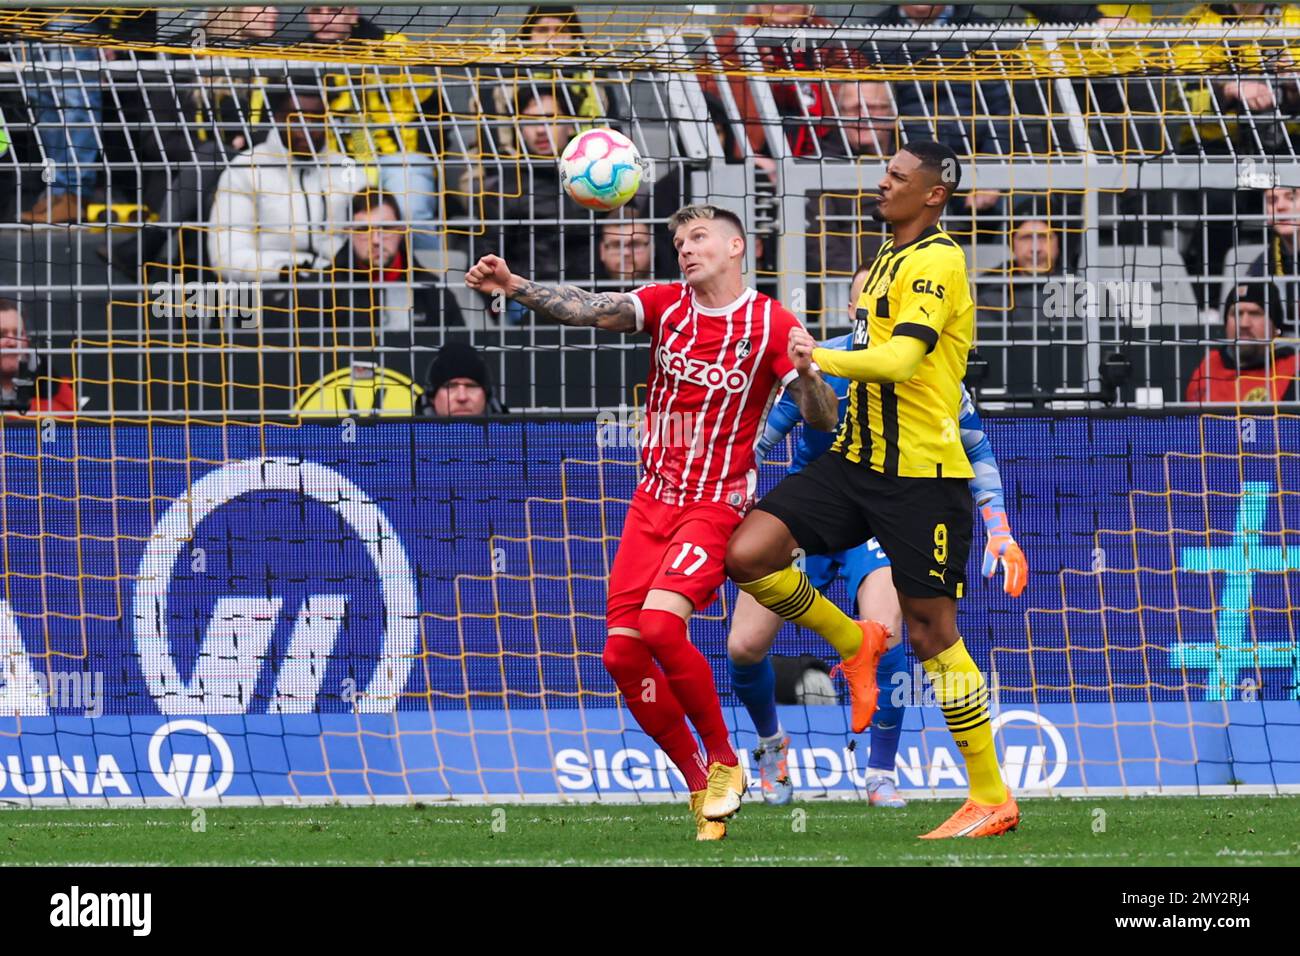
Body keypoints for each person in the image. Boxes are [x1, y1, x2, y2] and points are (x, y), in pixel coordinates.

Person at [465, 203, 839, 840]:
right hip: (652, 501)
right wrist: (518, 288)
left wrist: (807, 374)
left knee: (663, 627)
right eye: (679, 242)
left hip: (716, 502)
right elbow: (589, 307)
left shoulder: (770, 323)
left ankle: (725, 760)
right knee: (619, 653)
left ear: (735, 246)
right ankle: (701, 786)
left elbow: (823, 418)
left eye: (698, 238)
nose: (686, 249)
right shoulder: (666, 305)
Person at [724, 141, 1022, 839]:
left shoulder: (939, 261)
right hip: (852, 464)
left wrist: (815, 356)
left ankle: (990, 795)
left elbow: (901, 359)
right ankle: (851, 639)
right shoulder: (886, 260)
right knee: (749, 553)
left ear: (933, 195)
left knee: (931, 634)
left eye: (897, 176)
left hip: (922, 476)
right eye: (883, 172)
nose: (881, 183)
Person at [307, 6, 439, 254]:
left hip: (399, 154)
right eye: (316, 10)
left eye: (333, 9)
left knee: (411, 208)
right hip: (341, 159)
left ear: (353, 13)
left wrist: (425, 151)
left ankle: (430, 281)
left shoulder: (394, 47)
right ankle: (340, 280)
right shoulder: (296, 56)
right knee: (337, 208)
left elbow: (432, 104)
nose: (324, 18)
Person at [207, 86, 368, 287]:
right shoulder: (245, 168)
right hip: (268, 287)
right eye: (296, 119)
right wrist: (289, 270)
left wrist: (333, 271)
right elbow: (226, 255)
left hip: (339, 286)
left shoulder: (347, 168)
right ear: (277, 119)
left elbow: (372, 239)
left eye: (316, 118)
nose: (307, 128)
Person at [467, 88, 598, 324]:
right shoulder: (502, 187)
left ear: (570, 126)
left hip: (591, 299)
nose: (540, 130)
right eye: (530, 121)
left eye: (550, 119)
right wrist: (505, 301)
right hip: (526, 304)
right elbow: (483, 257)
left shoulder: (597, 180)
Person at [326, 190, 463, 332]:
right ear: (348, 232)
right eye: (363, 229)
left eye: (386, 228)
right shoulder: (323, 290)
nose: (375, 240)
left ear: (401, 231)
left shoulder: (434, 293)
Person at [1185, 282, 1299, 402]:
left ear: (1275, 327)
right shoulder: (1208, 366)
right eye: (1236, 314)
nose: (1244, 323)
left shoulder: (1294, 368)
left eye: (1255, 314)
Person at [0, 299, 77, 415]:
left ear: (26, 338)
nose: (13, 342)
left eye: (18, 333)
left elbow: (70, 423)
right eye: (1, 334)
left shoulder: (56, 387)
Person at [419, 341, 507, 415]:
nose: (462, 397)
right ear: (431, 397)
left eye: (471, 386)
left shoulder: (516, 434)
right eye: (451, 386)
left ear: (488, 396)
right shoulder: (408, 435)